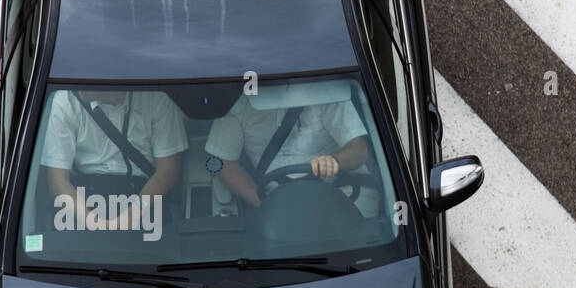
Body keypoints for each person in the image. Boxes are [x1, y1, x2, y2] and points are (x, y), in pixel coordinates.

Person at [41, 89, 188, 231]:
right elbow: (57, 181)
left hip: (145, 196)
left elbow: (168, 171)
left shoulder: (156, 99)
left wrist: (134, 213)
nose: (79, 78)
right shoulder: (66, 98)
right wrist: (93, 222)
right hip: (81, 199)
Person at [205, 92, 371, 213]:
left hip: (340, 191)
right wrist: (264, 205)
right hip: (275, 202)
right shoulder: (239, 102)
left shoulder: (327, 90)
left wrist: (334, 161)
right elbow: (222, 163)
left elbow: (359, 149)